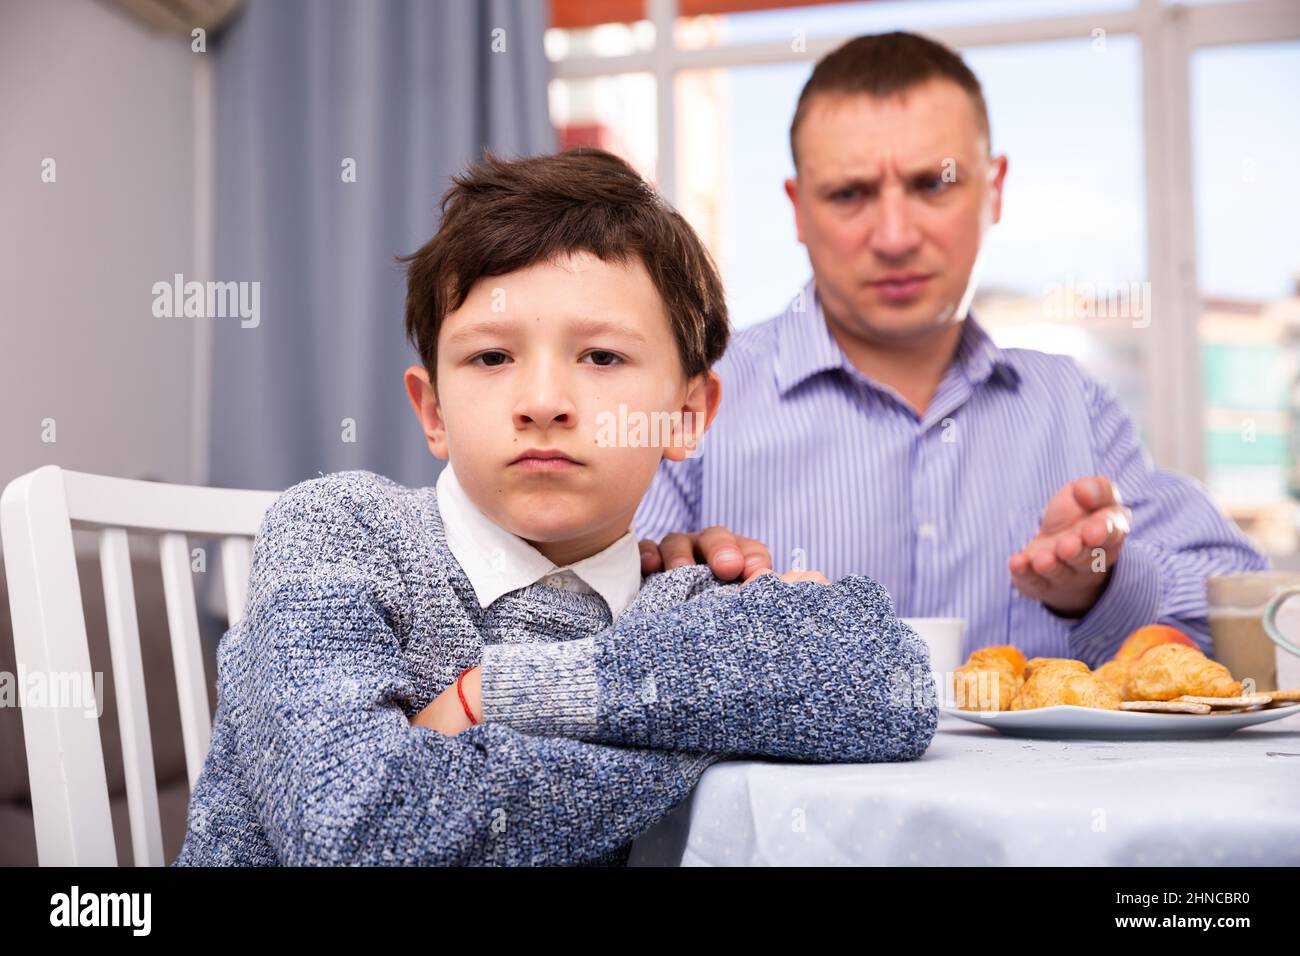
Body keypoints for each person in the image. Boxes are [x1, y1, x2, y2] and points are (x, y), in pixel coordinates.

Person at [171, 148, 937, 867]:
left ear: (687, 414)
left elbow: (893, 686)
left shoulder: (680, 597)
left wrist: (484, 695)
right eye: (492, 357)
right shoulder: (338, 531)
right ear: (432, 410)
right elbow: (350, 825)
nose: (542, 402)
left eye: (601, 357)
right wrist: (710, 717)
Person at [636, 32, 1268, 666]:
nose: (894, 236)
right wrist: (688, 603)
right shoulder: (691, 400)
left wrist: (1103, 582)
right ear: (799, 211)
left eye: (932, 185)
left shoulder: (1071, 406)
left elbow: (1250, 616)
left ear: (993, 190)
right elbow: (581, 630)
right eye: (850, 194)